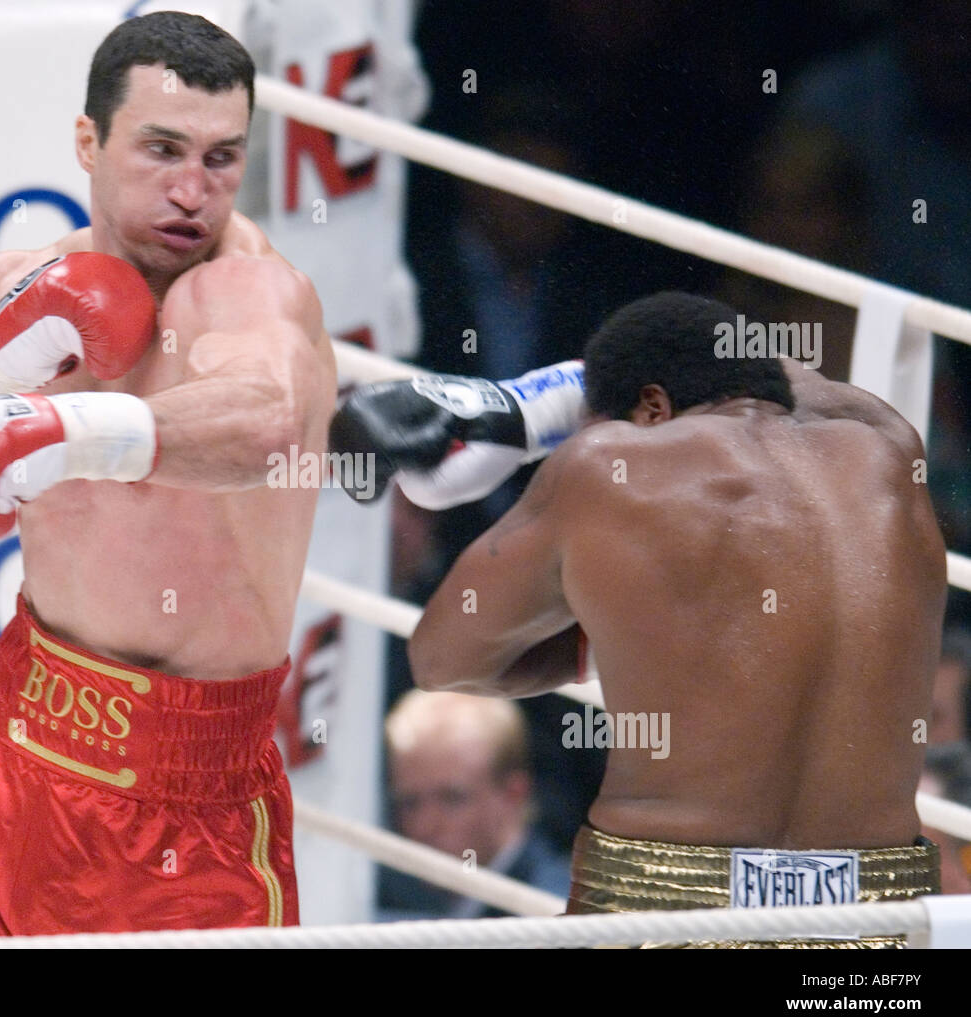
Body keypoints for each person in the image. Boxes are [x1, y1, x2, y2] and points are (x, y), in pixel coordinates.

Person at [0, 12, 335, 939]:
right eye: (162, 148)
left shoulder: (249, 295)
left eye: (221, 158)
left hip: (182, 811)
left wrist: (52, 428)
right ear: (88, 142)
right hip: (1, 755)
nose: (190, 192)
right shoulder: (14, 290)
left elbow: (266, 424)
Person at [332, 291, 946, 948]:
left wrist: (533, 411)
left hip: (669, 903)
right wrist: (550, 403)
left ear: (650, 409)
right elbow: (807, 387)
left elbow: (441, 657)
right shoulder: (890, 453)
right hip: (872, 919)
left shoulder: (607, 469)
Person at [379, 689, 569, 919]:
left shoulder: (554, 916)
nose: (424, 826)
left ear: (513, 795)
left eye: (452, 799)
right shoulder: (401, 897)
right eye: (409, 803)